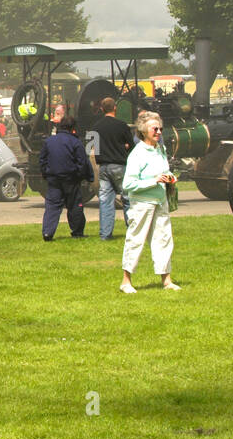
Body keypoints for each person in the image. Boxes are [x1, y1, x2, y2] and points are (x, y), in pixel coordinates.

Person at [119, 112, 181, 293]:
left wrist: (169, 178)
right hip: (142, 204)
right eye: (155, 129)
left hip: (160, 201)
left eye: (160, 129)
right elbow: (128, 184)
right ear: (143, 131)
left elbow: (164, 172)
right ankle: (126, 281)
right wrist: (154, 180)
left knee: (164, 239)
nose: (159, 132)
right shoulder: (137, 153)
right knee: (135, 239)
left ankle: (167, 280)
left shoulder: (160, 150)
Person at [39, 115, 94, 240]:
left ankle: (47, 232)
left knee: (52, 206)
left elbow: (42, 160)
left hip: (53, 179)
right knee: (75, 206)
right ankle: (77, 231)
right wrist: (81, 176)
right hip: (71, 179)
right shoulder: (76, 142)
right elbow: (82, 162)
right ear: (73, 128)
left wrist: (45, 173)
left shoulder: (49, 141)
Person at [92, 97, 135, 240]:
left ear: (102, 109)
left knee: (105, 201)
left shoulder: (96, 126)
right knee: (127, 198)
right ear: (115, 108)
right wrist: (123, 148)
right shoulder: (122, 125)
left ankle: (105, 234)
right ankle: (132, 231)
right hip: (119, 166)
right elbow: (132, 145)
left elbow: (90, 148)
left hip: (103, 167)